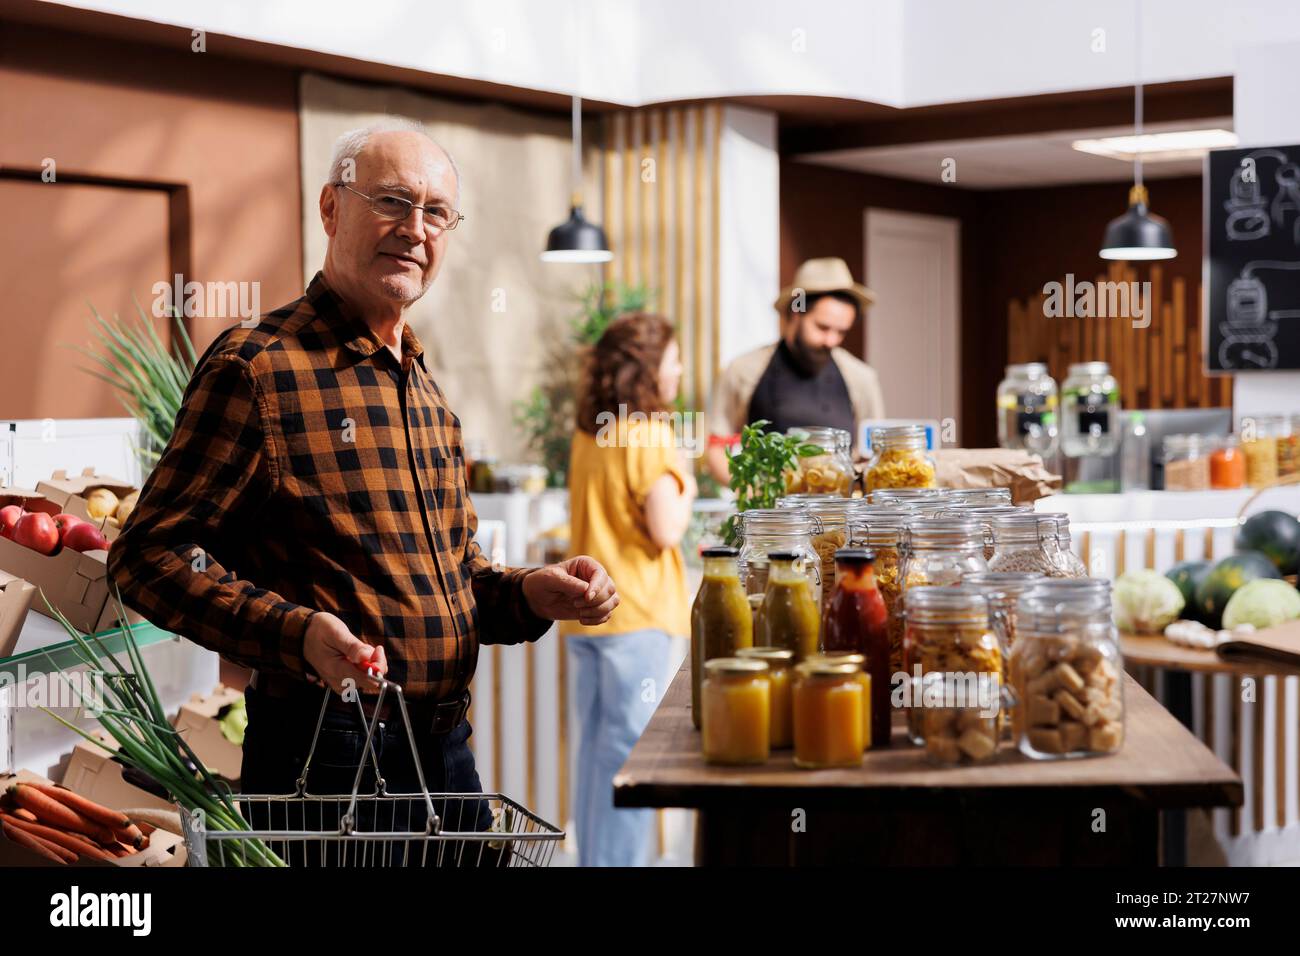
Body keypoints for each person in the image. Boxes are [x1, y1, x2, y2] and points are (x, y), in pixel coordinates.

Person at [108, 119, 619, 864]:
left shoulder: (422, 386)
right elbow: (146, 556)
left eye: (436, 212)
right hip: (329, 760)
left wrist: (532, 593)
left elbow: (456, 577)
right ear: (330, 209)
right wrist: (298, 637)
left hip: (445, 750)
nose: (415, 229)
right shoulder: (258, 367)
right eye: (391, 201)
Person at [563, 313, 696, 866]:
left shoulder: (590, 431)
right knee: (630, 763)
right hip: (637, 617)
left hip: (588, 618)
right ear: (649, 369)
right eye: (674, 359)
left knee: (595, 761)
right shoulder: (649, 435)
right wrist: (684, 477)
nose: (681, 368)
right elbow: (666, 528)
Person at [705, 256, 886, 485]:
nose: (831, 340)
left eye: (841, 332)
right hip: (770, 513)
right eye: (822, 327)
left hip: (836, 510)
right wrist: (750, 493)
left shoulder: (862, 378)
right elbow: (717, 446)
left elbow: (874, 451)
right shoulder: (743, 370)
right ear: (795, 312)